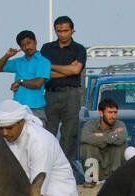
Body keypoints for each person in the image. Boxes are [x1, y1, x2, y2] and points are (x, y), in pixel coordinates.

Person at [40, 16, 88, 176]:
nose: (62, 34)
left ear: (72, 30)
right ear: (55, 31)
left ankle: (64, 170)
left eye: (65, 30)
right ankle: (46, 168)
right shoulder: (46, 48)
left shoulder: (79, 49)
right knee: (48, 132)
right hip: (51, 94)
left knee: (69, 133)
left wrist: (51, 67)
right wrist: (66, 69)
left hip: (72, 94)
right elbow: (43, 73)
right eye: (59, 31)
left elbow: (76, 71)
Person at [0, 31, 51, 123]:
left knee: (36, 136)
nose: (27, 47)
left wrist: (20, 81)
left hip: (35, 108)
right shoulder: (18, 61)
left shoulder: (43, 61)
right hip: (18, 108)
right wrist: (7, 56)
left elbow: (38, 83)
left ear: (35, 42)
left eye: (29, 43)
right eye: (23, 45)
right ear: (20, 48)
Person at [79, 98, 128, 184]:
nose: (113, 116)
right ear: (101, 113)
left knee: (119, 143)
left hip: (113, 167)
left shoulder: (120, 124)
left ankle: (115, 179)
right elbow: (84, 137)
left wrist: (99, 137)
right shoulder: (90, 125)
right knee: (88, 145)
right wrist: (111, 137)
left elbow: (122, 137)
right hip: (97, 167)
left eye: (115, 113)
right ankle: (91, 179)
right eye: (110, 112)